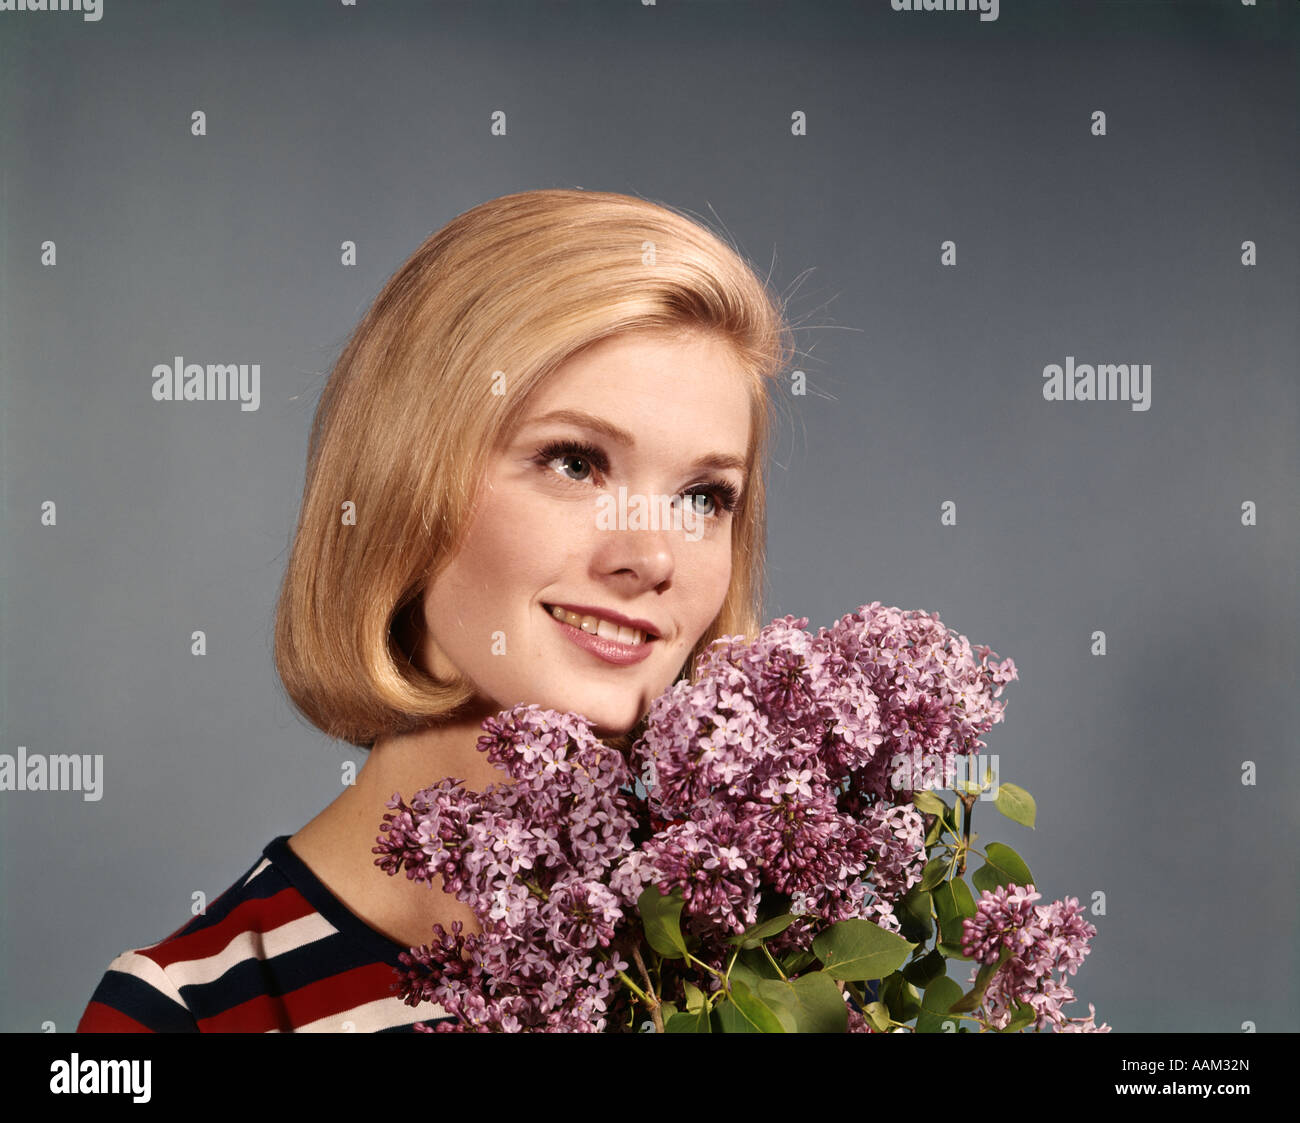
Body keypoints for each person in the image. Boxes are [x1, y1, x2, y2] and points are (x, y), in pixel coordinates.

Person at [76, 188, 794, 1032]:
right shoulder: (180, 1014)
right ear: (403, 484)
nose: (654, 557)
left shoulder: (773, 942)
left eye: (704, 496)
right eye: (574, 462)